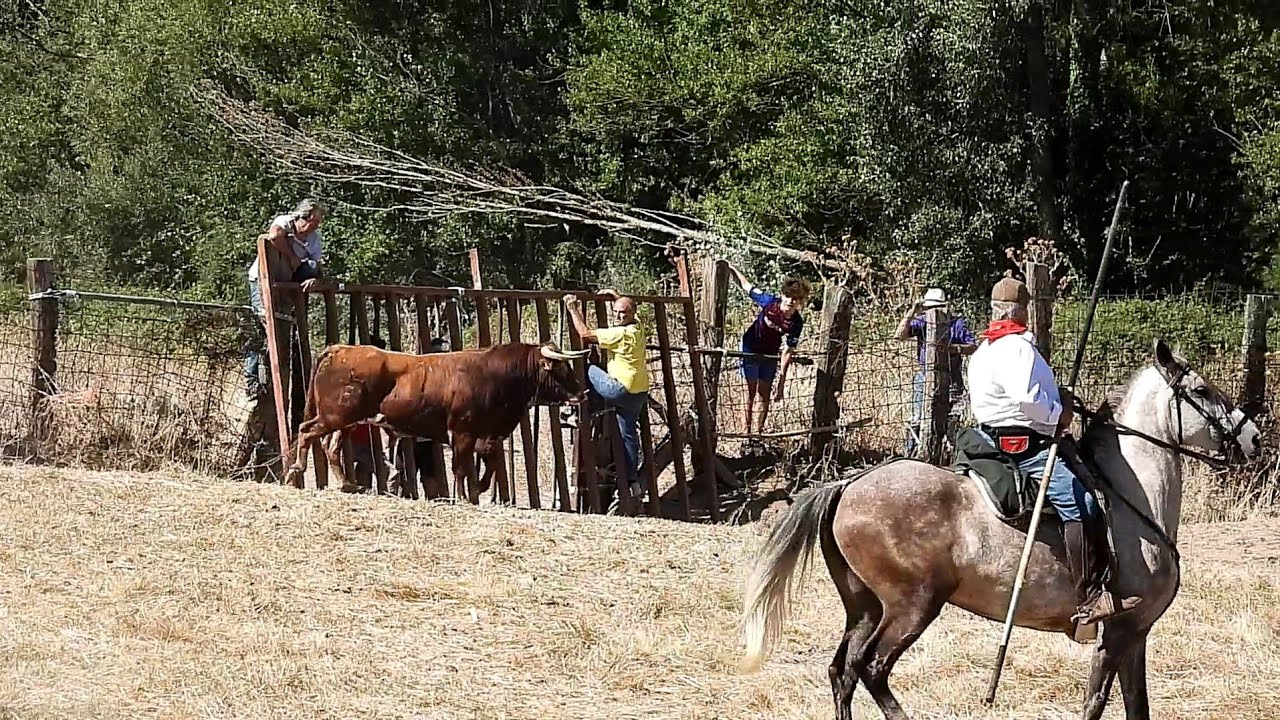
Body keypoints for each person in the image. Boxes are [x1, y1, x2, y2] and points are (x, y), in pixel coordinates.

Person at [966, 277, 1141, 626]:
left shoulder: (983, 350)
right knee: (1082, 503)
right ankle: (1091, 596)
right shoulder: (1016, 347)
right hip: (1025, 446)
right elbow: (1028, 400)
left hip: (993, 437)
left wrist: (1055, 393)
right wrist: (1057, 413)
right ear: (1024, 309)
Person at [563, 290, 650, 501]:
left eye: (623, 313)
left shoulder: (620, 334)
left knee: (587, 368)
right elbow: (628, 309)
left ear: (631, 313)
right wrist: (617, 296)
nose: (619, 316)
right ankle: (632, 482)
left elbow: (585, 334)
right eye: (616, 312)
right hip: (638, 392)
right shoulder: (639, 328)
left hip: (620, 388)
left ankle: (571, 409)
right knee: (628, 436)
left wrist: (573, 308)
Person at [243, 198, 328, 405]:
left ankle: (275, 379)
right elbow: (273, 236)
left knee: (283, 329)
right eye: (313, 222)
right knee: (263, 327)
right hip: (263, 281)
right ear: (301, 218)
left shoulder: (313, 239)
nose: (314, 228)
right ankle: (253, 380)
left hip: (286, 283)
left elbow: (317, 265)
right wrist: (292, 257)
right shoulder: (285, 222)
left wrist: (314, 278)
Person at [727, 264, 810, 435]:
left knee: (764, 394)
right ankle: (745, 433)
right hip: (750, 348)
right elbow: (748, 287)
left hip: (770, 354)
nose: (790, 301)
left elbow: (788, 350)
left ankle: (758, 434)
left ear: (800, 302)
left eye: (795, 299)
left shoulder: (796, 323)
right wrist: (732, 268)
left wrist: (781, 382)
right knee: (749, 392)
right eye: (787, 296)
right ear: (782, 295)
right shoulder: (769, 303)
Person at [895, 287, 977, 456]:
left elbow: (972, 346)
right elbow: (899, 335)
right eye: (929, 308)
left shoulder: (956, 323)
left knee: (951, 420)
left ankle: (952, 455)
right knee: (918, 419)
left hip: (952, 377)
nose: (933, 312)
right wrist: (912, 312)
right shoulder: (921, 322)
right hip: (925, 376)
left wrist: (952, 349)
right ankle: (911, 454)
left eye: (936, 308)